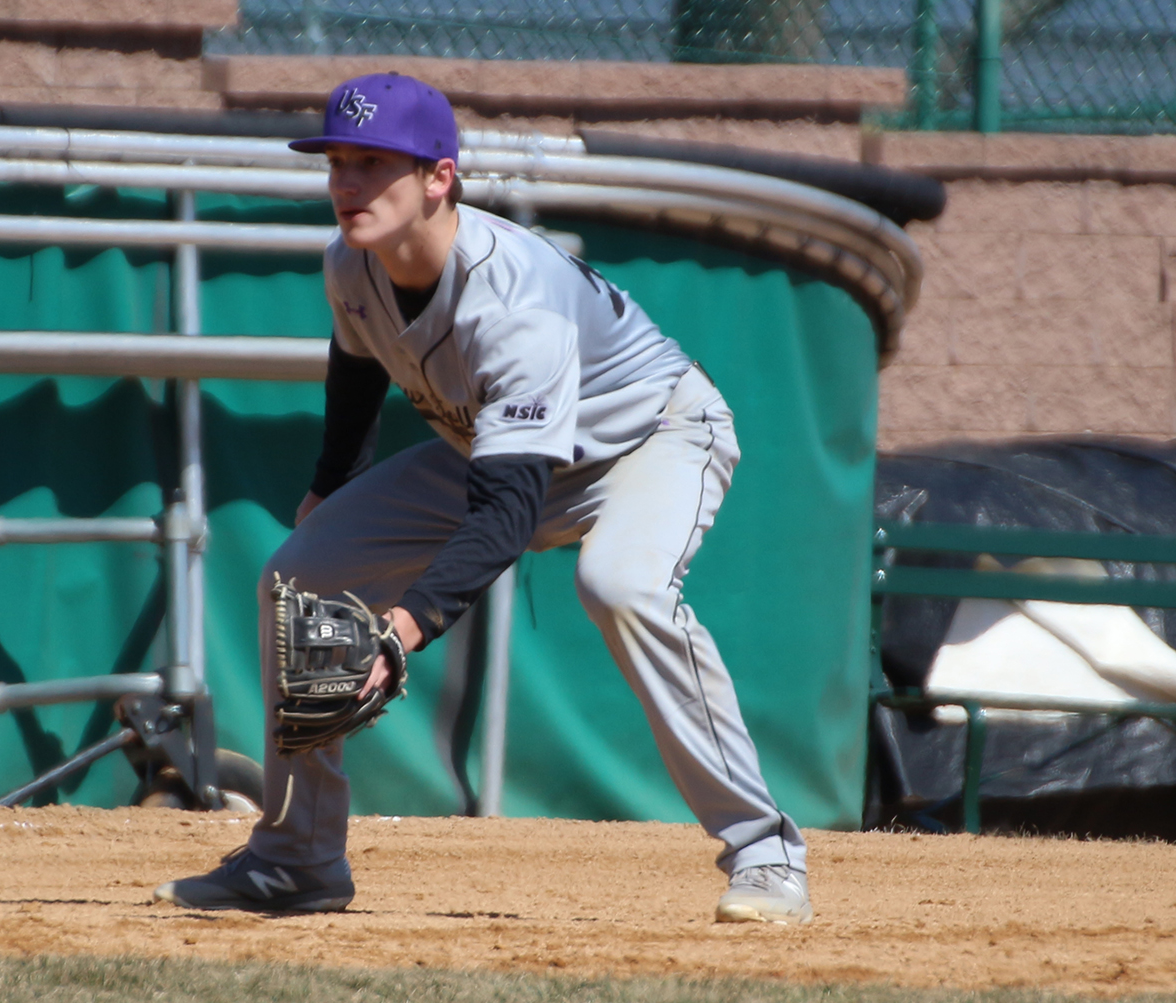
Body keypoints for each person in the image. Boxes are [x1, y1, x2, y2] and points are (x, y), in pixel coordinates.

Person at [154, 72, 811, 924]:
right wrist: (330, 490)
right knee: (300, 576)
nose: (348, 183)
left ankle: (765, 852)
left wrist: (404, 628)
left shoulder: (512, 302)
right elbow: (357, 366)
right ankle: (295, 861)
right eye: (338, 163)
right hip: (502, 448)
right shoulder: (349, 262)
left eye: (373, 163)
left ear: (439, 178)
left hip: (650, 436)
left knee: (620, 585)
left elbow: (505, 515)